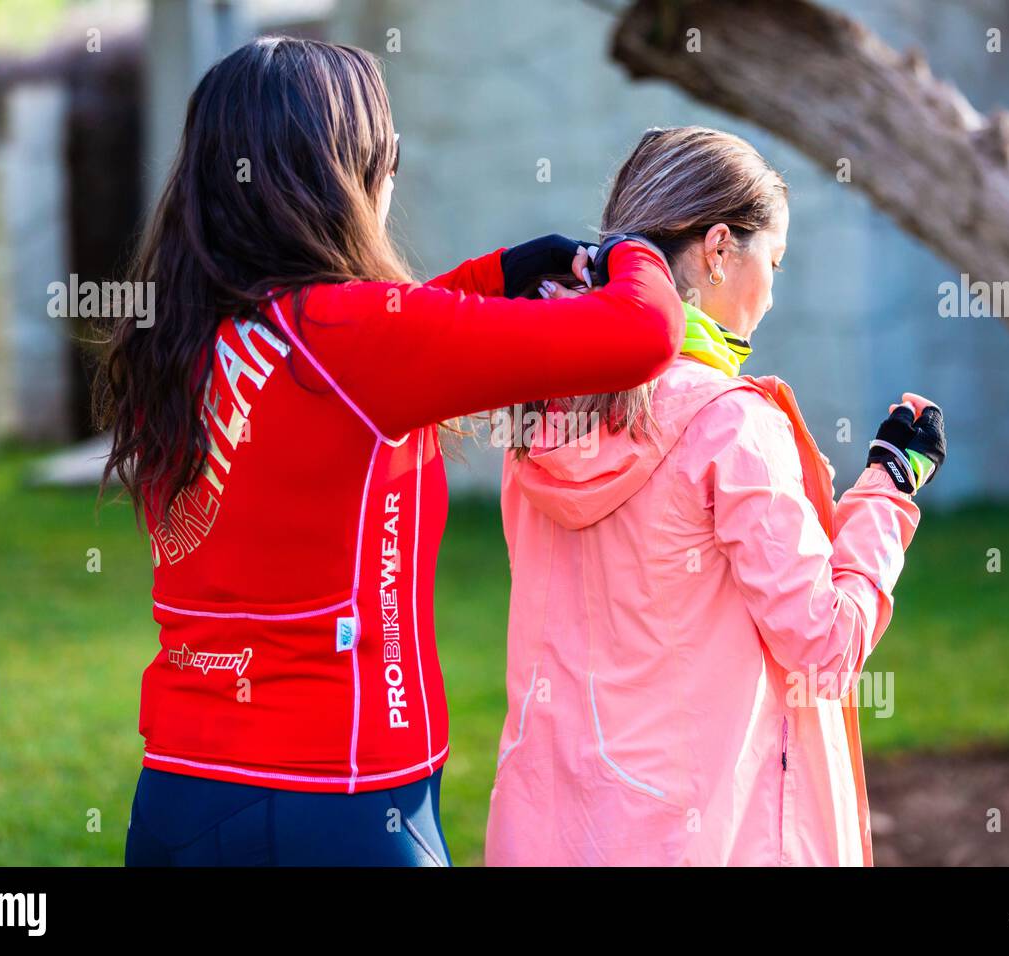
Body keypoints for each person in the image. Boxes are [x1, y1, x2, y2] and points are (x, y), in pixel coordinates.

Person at [97, 38, 683, 866]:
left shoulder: (191, 337)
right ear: (343, 174)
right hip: (342, 804)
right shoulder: (353, 339)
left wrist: (498, 275)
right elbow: (644, 332)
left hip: (180, 800)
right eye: (387, 153)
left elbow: (374, 350)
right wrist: (638, 249)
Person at [485, 126, 947, 866]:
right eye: (777, 259)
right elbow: (822, 644)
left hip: (552, 834)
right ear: (721, 247)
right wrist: (890, 486)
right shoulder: (731, 424)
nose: (772, 289)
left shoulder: (539, 412)